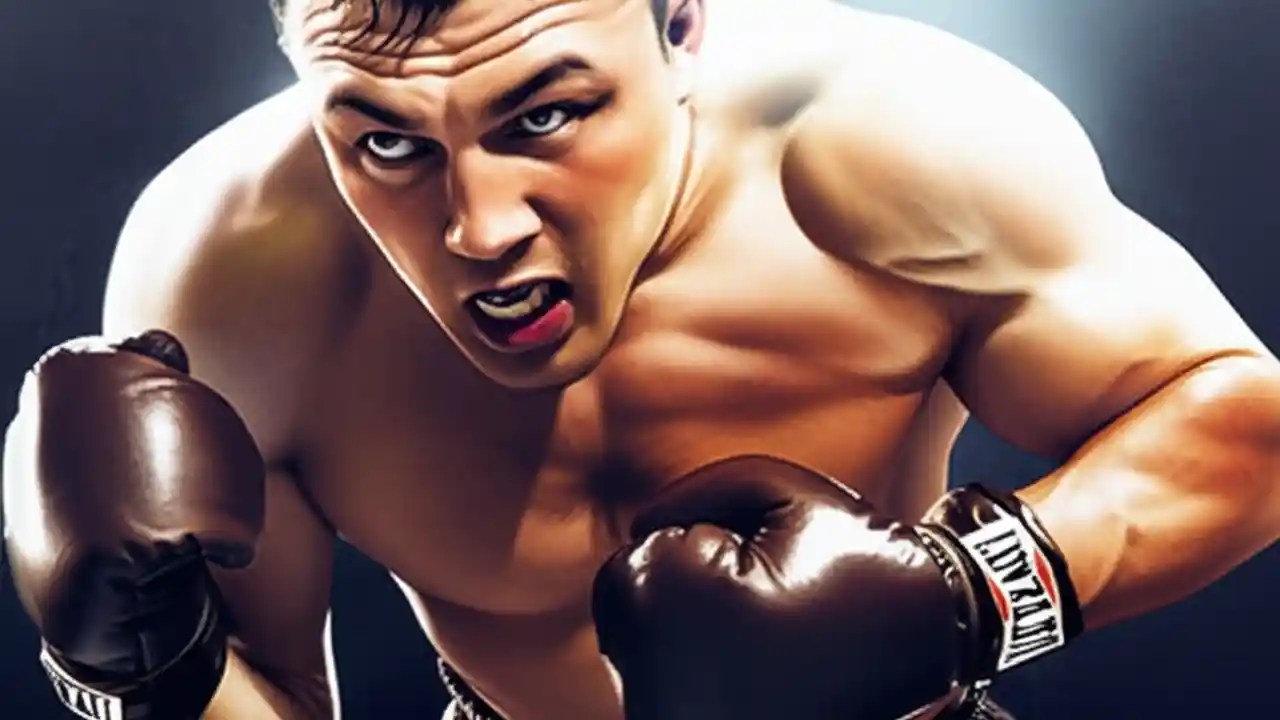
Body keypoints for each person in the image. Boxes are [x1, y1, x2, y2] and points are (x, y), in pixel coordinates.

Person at [4, 0, 1279, 718]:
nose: (479, 230)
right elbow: (273, 696)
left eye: (546, 114)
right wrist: (139, 677)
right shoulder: (230, 268)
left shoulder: (889, 148)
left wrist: (963, 598)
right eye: (386, 142)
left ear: (679, 24)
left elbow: (1242, 428)